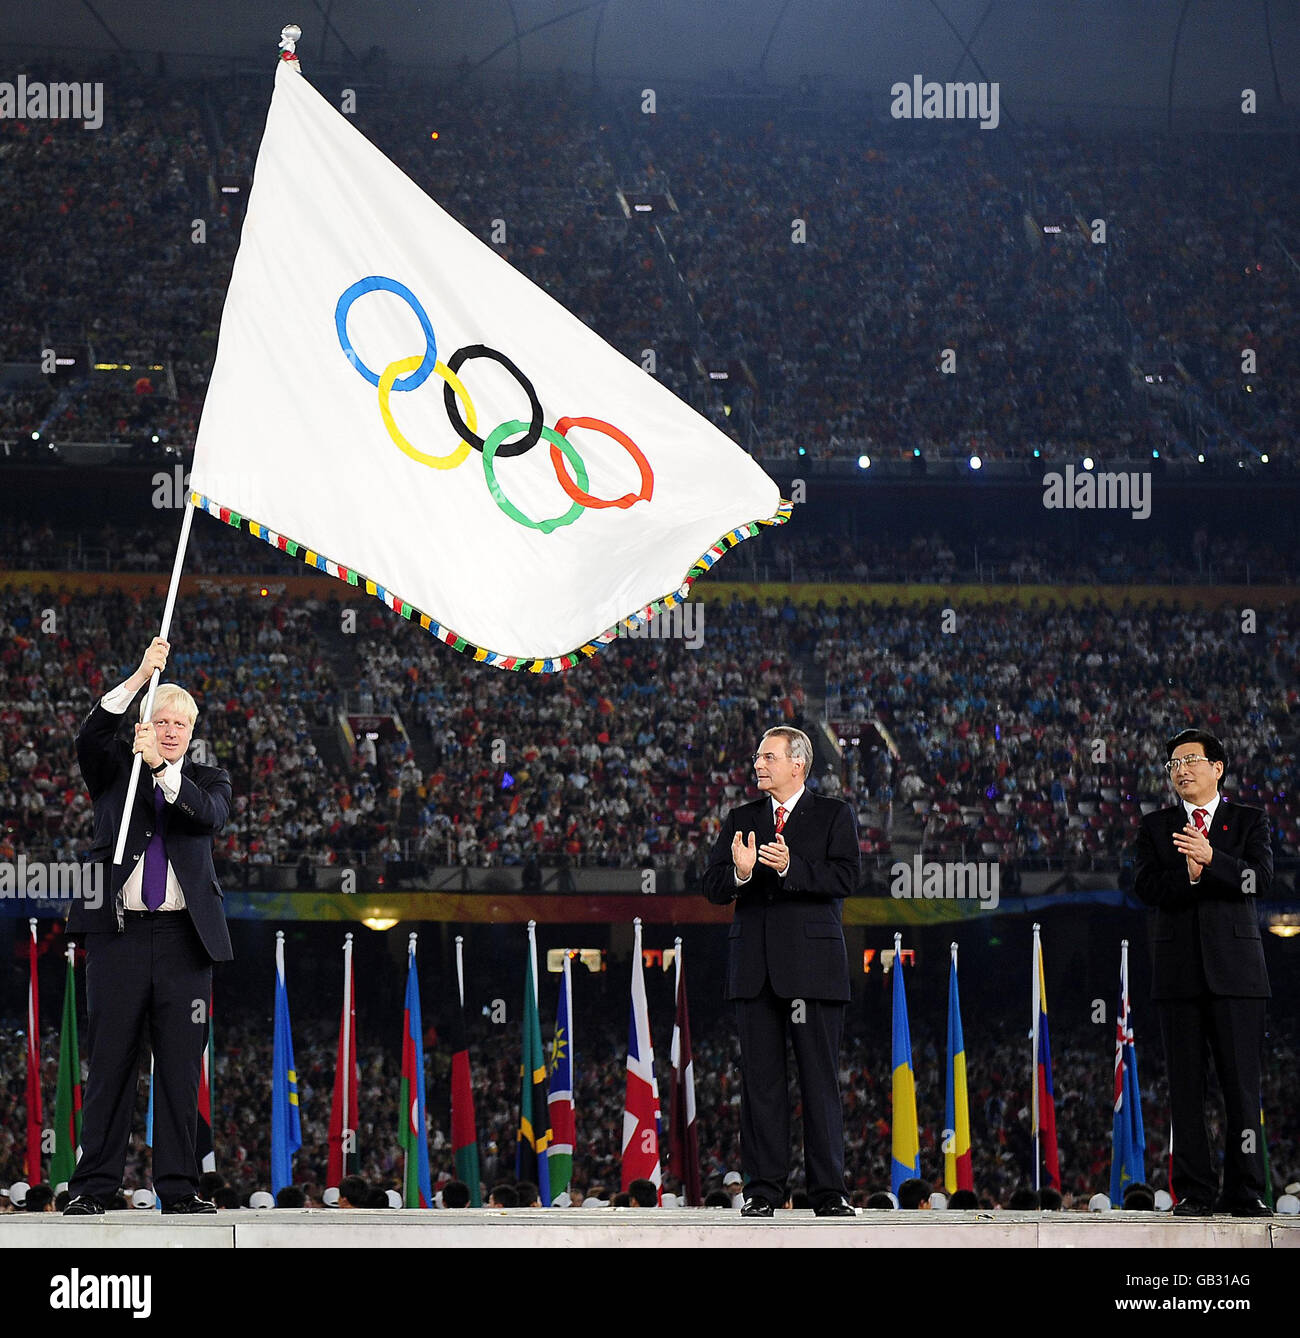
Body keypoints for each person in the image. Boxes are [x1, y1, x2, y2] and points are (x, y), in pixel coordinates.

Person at [63, 638, 232, 1217]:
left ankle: (180, 1190)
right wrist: (139, 676)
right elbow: (91, 733)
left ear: (192, 732)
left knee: (182, 1070)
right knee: (110, 1063)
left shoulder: (210, 781)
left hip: (186, 943)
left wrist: (163, 772)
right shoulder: (114, 772)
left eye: (181, 723)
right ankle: (92, 1189)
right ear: (143, 724)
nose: (171, 730)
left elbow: (206, 818)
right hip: (118, 935)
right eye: (161, 720)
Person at [703, 726, 860, 1218]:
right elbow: (711, 886)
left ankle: (828, 1193)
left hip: (813, 971)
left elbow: (847, 878)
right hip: (753, 972)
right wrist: (743, 874)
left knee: (819, 1081)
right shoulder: (741, 819)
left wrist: (793, 866)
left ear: (798, 765)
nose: (758, 763)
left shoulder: (834, 815)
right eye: (757, 756)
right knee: (761, 1085)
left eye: (768, 756)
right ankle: (763, 1191)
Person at [1133, 727, 1272, 1217]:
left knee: (1242, 1091)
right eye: (1173, 764)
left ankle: (1245, 1191)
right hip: (1178, 978)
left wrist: (1213, 861)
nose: (1181, 770)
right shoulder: (1154, 827)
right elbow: (1145, 886)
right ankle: (1194, 1192)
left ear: (1217, 767)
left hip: (1238, 978)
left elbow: (1260, 879)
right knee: (1186, 1092)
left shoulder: (1249, 821)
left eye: (1190, 760)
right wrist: (1190, 875)